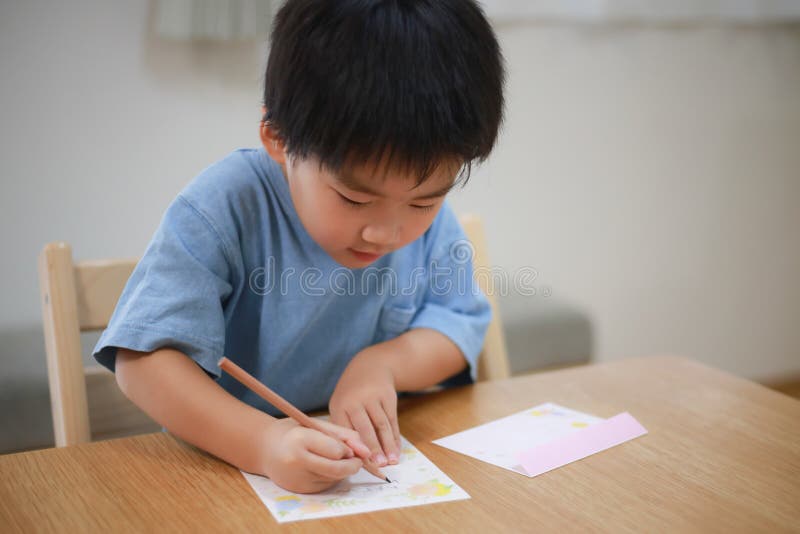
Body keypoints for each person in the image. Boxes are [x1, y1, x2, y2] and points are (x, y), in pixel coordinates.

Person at [94, 0, 505, 494]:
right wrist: (263, 442)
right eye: (355, 198)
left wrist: (382, 365)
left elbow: (459, 326)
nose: (387, 233)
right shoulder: (226, 207)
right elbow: (142, 364)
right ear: (278, 140)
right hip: (225, 475)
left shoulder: (424, 228)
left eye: (423, 203)